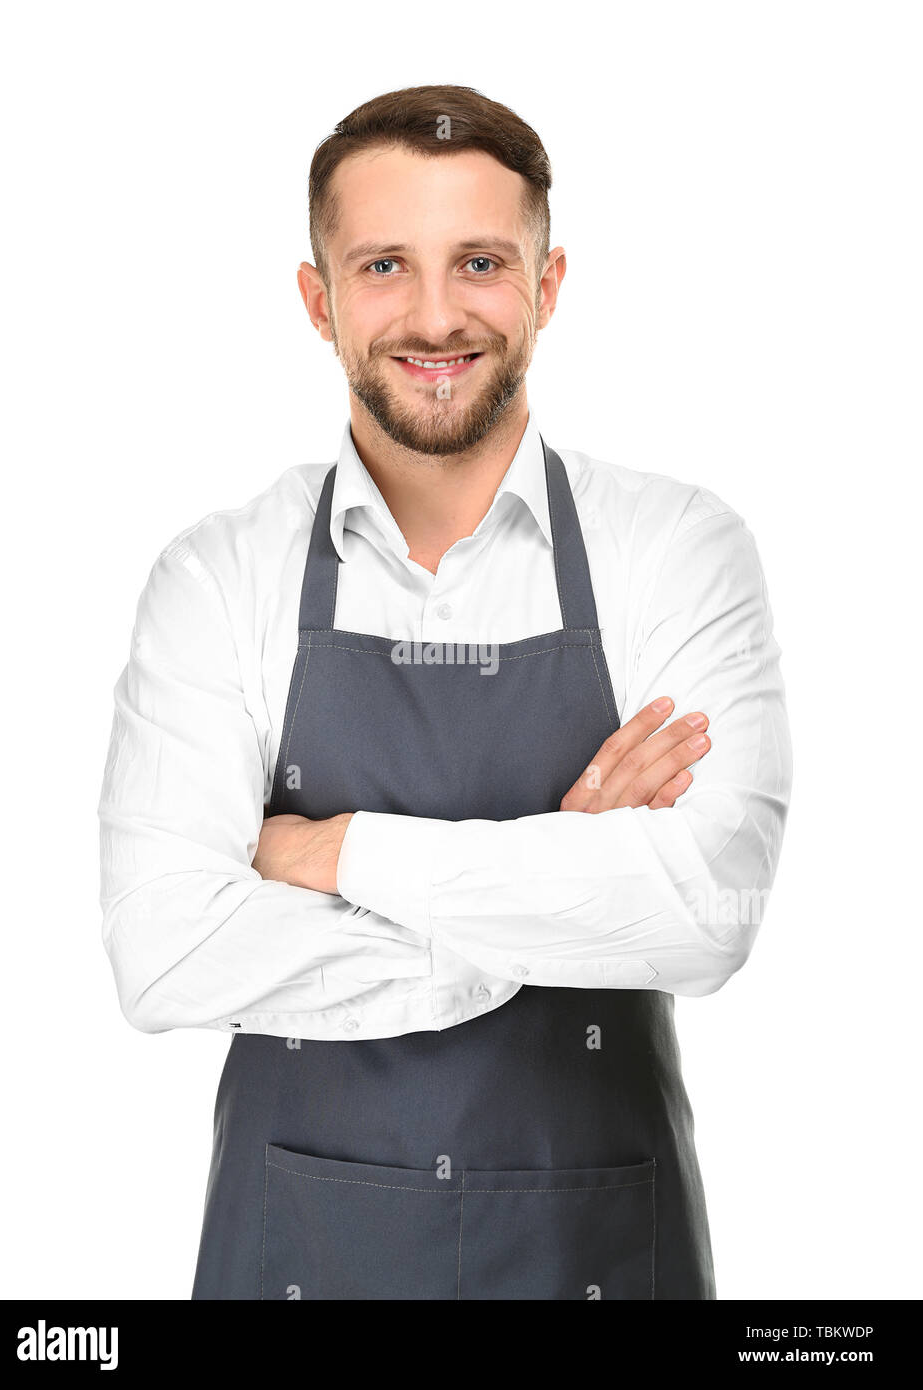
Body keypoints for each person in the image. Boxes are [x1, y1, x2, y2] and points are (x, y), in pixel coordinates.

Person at [97, 84, 792, 1301]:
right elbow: (164, 952)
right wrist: (562, 883)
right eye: (381, 265)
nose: (433, 315)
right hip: (296, 1255)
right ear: (317, 299)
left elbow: (702, 919)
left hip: (598, 1252)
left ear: (548, 283)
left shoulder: (675, 547)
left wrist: (335, 848)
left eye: (478, 260)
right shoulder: (219, 576)